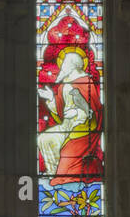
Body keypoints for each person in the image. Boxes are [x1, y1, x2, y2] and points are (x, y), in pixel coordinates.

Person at [37, 47, 103, 183]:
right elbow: (60, 111)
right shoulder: (65, 84)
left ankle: (61, 176)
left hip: (82, 127)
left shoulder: (86, 82)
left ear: (73, 65)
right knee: (43, 138)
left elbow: (93, 110)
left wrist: (78, 112)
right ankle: (53, 172)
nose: (63, 66)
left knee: (66, 153)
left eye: (65, 63)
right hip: (67, 125)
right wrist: (50, 98)